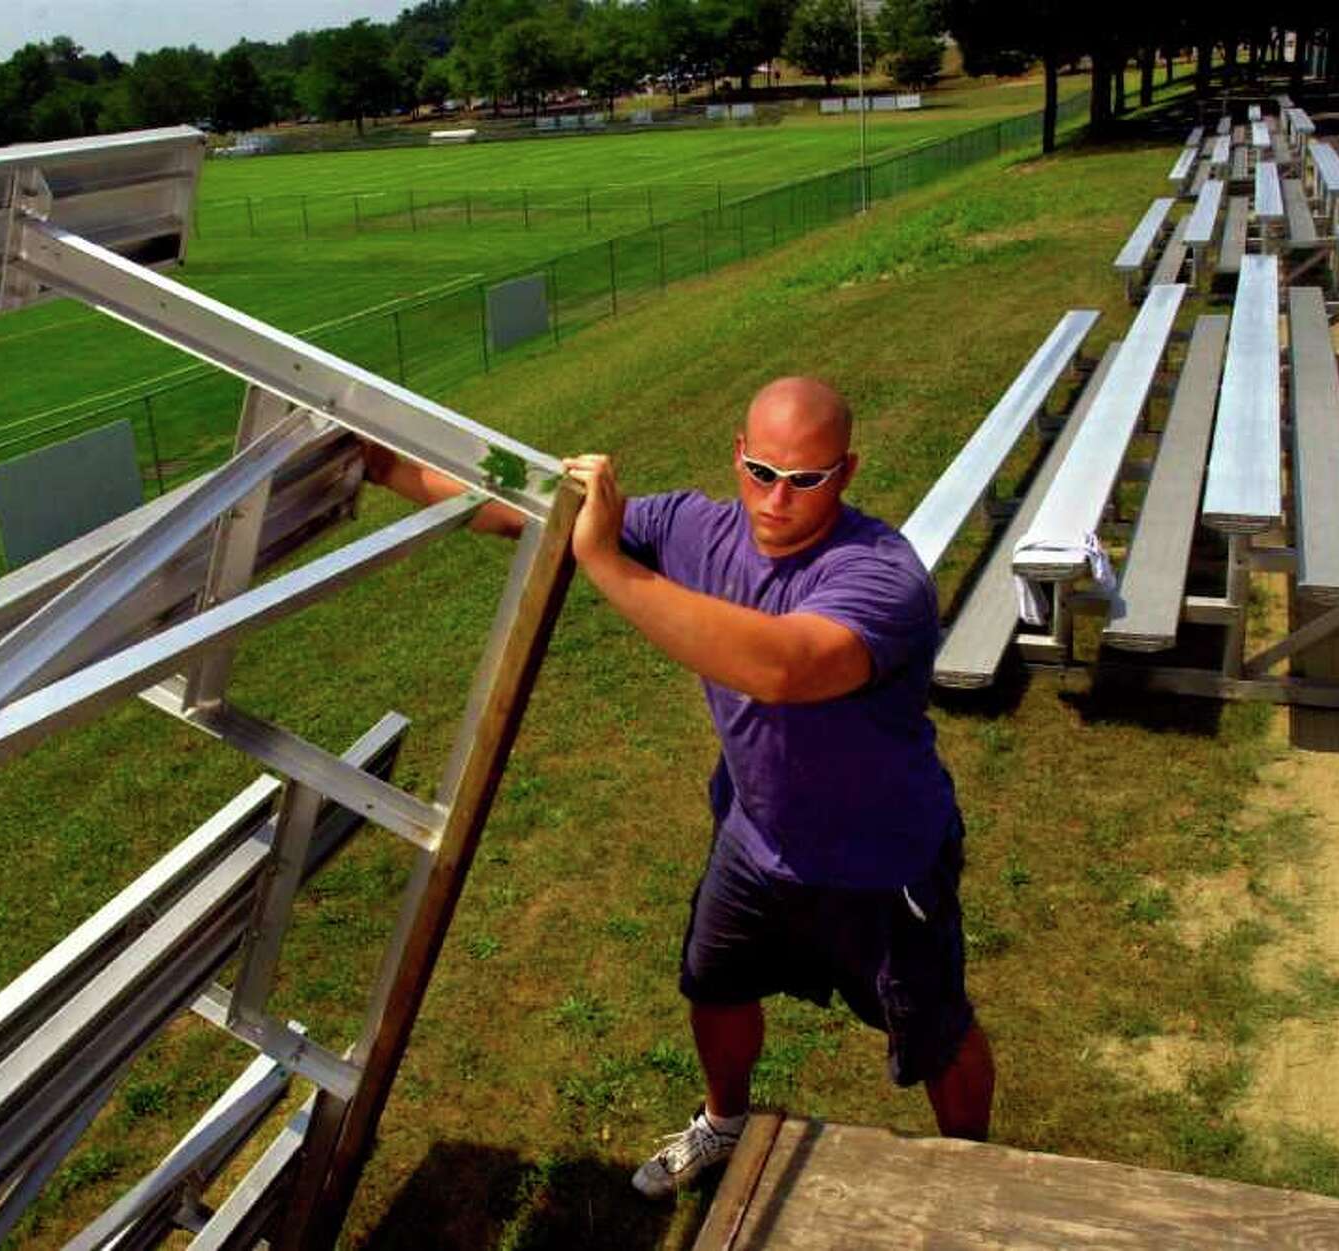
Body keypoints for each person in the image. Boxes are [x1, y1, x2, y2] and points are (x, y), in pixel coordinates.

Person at [363, 377, 993, 1199]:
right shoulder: (697, 527)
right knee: (714, 985)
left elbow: (783, 666)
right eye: (761, 472)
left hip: (880, 862)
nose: (776, 499)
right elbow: (525, 512)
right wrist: (382, 465)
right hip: (756, 837)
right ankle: (725, 1122)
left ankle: (979, 1174)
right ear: (737, 454)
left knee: (935, 1030)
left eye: (805, 479)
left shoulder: (882, 576)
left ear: (846, 471)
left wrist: (605, 562)